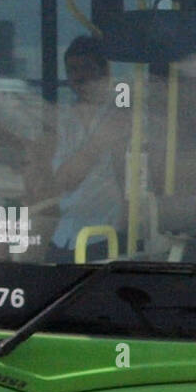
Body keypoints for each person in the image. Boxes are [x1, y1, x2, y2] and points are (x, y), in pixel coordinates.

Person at [41, 36, 130, 262]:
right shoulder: (63, 119)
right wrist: (99, 143)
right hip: (65, 235)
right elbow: (63, 181)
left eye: (87, 69)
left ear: (105, 71)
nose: (79, 77)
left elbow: (133, 180)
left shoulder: (127, 117)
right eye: (72, 70)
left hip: (110, 236)